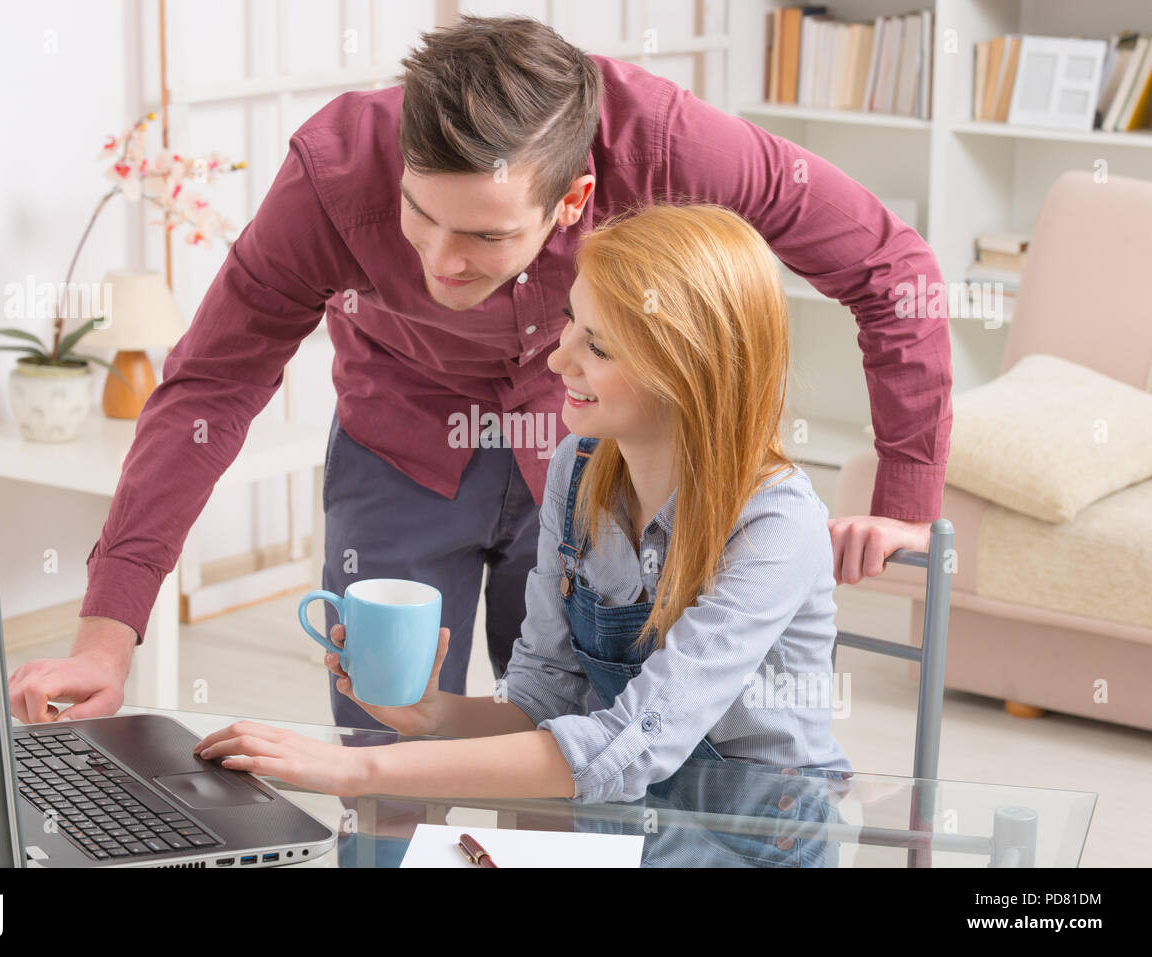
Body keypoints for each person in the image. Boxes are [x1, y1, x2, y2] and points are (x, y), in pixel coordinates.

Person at [8, 14, 950, 731]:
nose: (441, 262)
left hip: (593, 453)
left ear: (575, 198)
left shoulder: (669, 144)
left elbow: (888, 266)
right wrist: (107, 633)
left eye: (487, 233)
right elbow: (211, 383)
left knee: (566, 748)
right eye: (421, 215)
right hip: (399, 445)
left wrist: (907, 488)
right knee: (384, 746)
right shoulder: (333, 174)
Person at [192, 203, 852, 867]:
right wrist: (434, 715)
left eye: (597, 346)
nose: (557, 357)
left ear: (687, 370)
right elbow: (543, 696)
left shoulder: (776, 525)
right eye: (570, 321)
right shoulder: (579, 466)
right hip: (626, 832)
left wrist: (357, 772)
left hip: (756, 848)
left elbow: (632, 743)